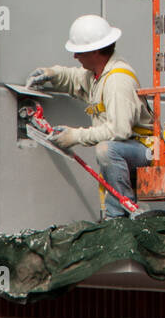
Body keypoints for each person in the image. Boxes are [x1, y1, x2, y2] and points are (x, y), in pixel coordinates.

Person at [26, 14, 155, 219]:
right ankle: (115, 215)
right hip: (127, 148)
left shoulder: (118, 80)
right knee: (108, 150)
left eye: (79, 52)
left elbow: (119, 130)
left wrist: (75, 137)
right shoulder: (98, 74)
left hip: (143, 151)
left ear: (95, 51)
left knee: (106, 150)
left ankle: (120, 216)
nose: (75, 57)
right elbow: (75, 79)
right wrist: (52, 74)